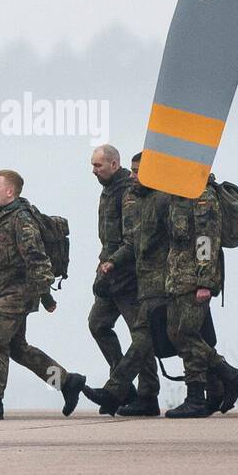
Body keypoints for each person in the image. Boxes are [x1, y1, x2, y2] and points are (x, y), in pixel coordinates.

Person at [0, 169, 85, 419]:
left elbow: (36, 259)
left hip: (17, 292)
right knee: (18, 348)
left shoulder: (21, 219)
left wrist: (47, 296)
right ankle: (67, 382)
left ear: (10, 191)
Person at [161, 175, 238, 418]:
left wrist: (205, 281)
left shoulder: (202, 195)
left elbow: (206, 241)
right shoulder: (177, 195)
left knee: (186, 334)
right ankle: (225, 377)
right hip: (177, 279)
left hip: (194, 279)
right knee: (177, 335)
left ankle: (198, 396)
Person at [87, 145, 158, 413]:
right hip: (108, 274)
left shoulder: (129, 193)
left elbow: (132, 240)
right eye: (93, 165)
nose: (93, 171)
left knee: (141, 335)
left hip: (127, 275)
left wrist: (111, 264)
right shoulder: (108, 190)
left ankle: (146, 394)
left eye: (98, 166)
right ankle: (125, 386)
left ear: (114, 164)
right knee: (98, 324)